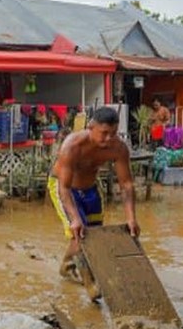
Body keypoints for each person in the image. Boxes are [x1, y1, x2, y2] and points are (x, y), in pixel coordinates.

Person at [48, 106, 139, 288]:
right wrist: (74, 218)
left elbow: (126, 185)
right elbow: (63, 187)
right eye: (104, 133)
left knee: (95, 235)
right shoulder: (72, 145)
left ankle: (66, 265)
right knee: (80, 232)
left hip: (91, 188)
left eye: (113, 133)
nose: (108, 139)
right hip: (64, 188)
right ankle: (90, 284)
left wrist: (131, 218)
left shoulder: (118, 148)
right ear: (91, 127)